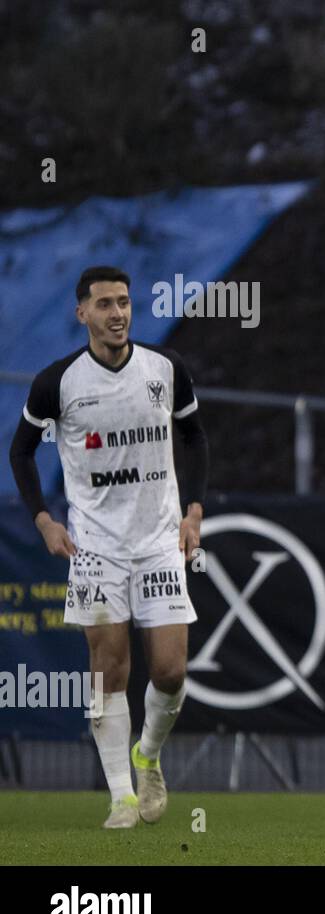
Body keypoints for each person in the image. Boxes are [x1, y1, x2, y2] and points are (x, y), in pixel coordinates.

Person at [7, 265, 208, 829]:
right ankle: (121, 795)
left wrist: (194, 509)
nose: (118, 313)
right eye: (105, 304)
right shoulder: (58, 382)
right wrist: (44, 520)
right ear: (83, 314)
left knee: (169, 672)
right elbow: (21, 451)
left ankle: (147, 755)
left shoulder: (166, 369)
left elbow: (194, 435)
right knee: (108, 670)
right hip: (96, 547)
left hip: (159, 541)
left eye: (124, 302)